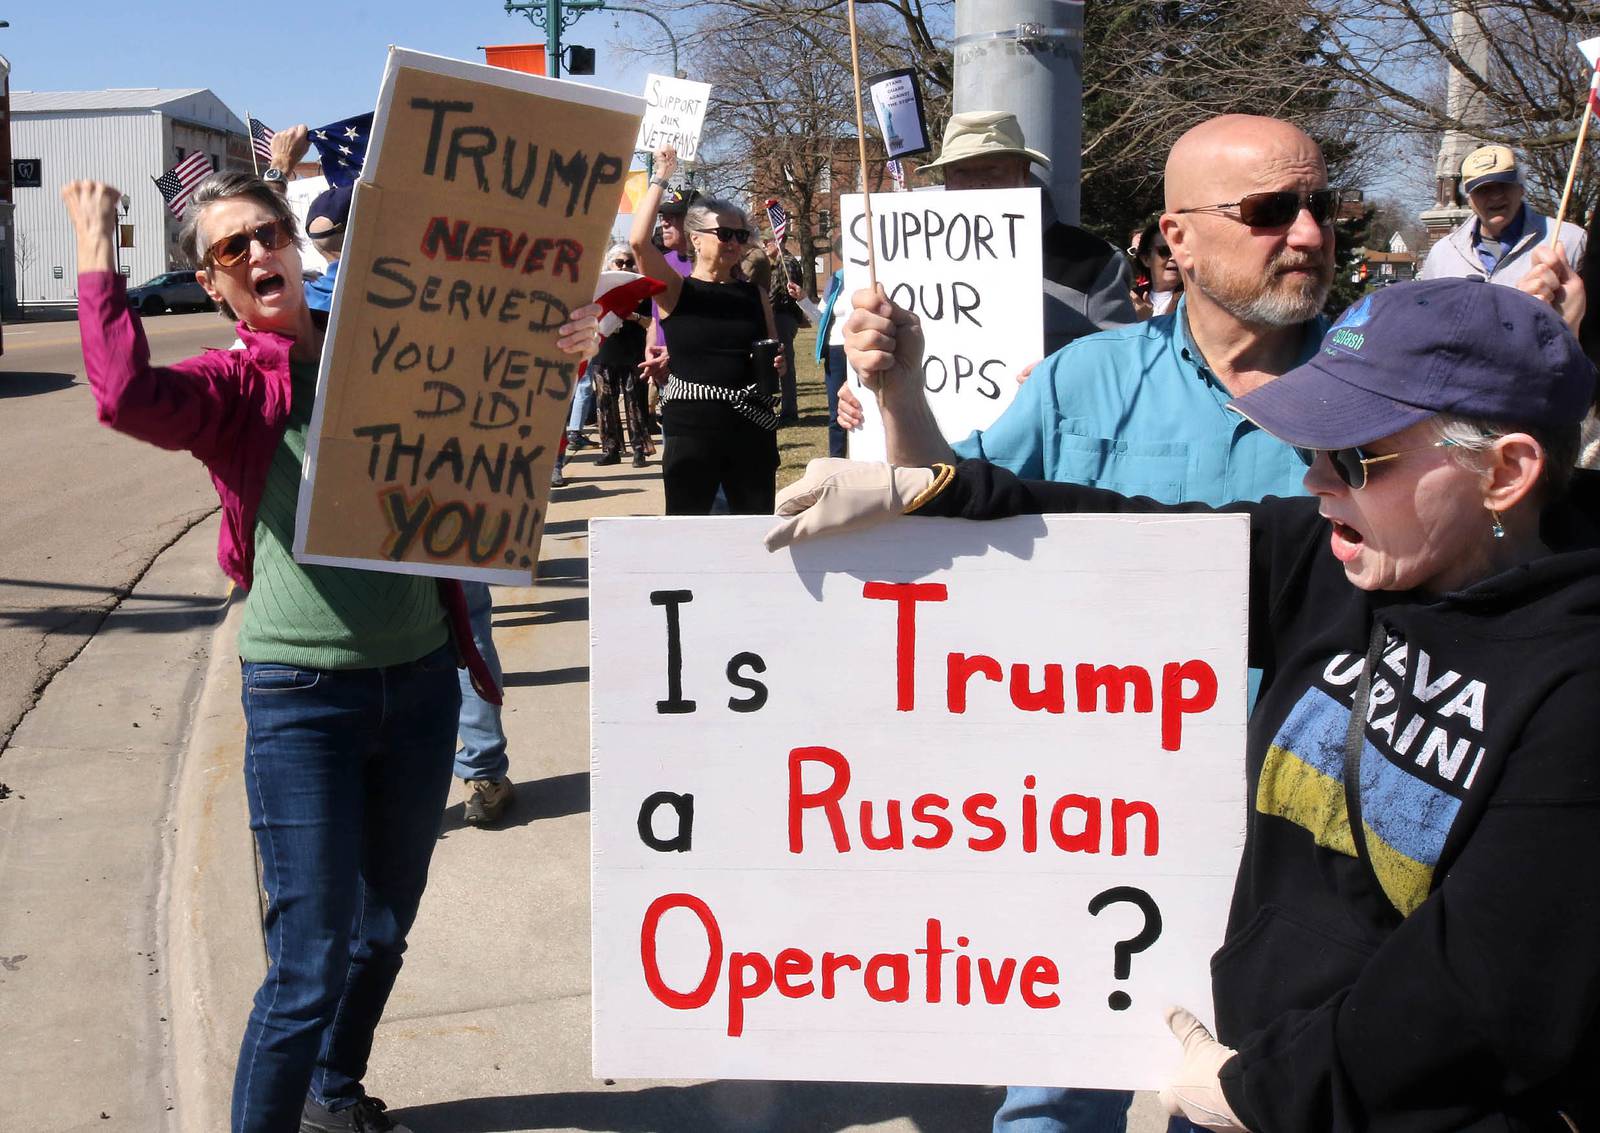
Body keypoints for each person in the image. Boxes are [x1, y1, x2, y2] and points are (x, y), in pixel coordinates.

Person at [767, 276, 1600, 1133]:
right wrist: (939, 494)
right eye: (1309, 445)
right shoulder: (1331, 555)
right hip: (1260, 1071)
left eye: (1354, 457)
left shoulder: (1575, 684)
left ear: (1505, 472)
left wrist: (1263, 1093)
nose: (1315, 481)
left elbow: (1487, 992)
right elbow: (1133, 551)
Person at [61, 170, 600, 1133]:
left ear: (295, 244)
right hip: (301, 694)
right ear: (212, 284)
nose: (259, 251)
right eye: (233, 248)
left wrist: (556, 361)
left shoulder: (386, 354)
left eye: (267, 232)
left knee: (384, 930)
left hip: (425, 679)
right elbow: (124, 397)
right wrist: (96, 250)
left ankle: (331, 1092)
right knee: (306, 963)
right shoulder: (235, 386)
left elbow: (506, 445)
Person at [841, 111, 1337, 1133]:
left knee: (1245, 1102)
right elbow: (956, 497)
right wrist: (897, 392)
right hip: (1100, 815)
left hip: (1302, 842)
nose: (1308, 233)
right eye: (1269, 211)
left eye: (1321, 206)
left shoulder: (1383, 398)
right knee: (1051, 1098)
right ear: (1176, 238)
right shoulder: (1085, 378)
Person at [630, 145, 785, 515]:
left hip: (751, 427)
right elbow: (638, 242)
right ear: (695, 238)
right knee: (689, 534)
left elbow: (775, 356)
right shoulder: (676, 290)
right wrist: (660, 177)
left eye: (740, 235)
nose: (734, 242)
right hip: (692, 430)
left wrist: (777, 364)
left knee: (754, 531)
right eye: (724, 234)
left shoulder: (755, 294)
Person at [919, 110, 1136, 355]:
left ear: (1023, 171)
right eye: (962, 171)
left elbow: (1122, 365)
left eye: (992, 169)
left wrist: (1058, 375)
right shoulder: (915, 260)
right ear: (947, 179)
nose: (977, 182)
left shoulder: (1093, 262)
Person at [1420, 144, 1586, 285]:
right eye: (1483, 189)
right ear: (1469, 199)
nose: (1496, 196)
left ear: (1521, 188)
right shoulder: (1443, 253)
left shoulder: (1570, 241)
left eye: (1504, 185)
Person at [592, 242, 655, 468]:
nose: (625, 266)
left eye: (630, 262)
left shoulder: (642, 289)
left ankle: (639, 448)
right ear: (610, 263)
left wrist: (632, 316)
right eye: (620, 262)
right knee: (605, 402)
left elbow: (650, 321)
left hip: (632, 350)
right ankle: (611, 448)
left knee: (634, 401)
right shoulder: (599, 287)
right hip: (605, 349)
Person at [764, 234, 809, 422]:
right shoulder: (777, 263)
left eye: (767, 242)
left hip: (783, 316)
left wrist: (763, 303)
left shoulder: (787, 263)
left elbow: (784, 293)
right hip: (779, 316)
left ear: (778, 242)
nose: (764, 245)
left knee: (786, 365)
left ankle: (790, 412)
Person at [815, 245, 850, 458]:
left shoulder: (872, 277)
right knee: (836, 411)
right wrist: (801, 299)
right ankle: (836, 461)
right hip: (836, 350)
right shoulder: (836, 279)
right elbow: (820, 317)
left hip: (864, 347)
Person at [1130, 218, 1182, 318]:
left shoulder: (1196, 298)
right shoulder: (1131, 298)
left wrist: (1146, 323)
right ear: (1146, 259)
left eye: (1178, 251)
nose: (1173, 258)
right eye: (1164, 251)